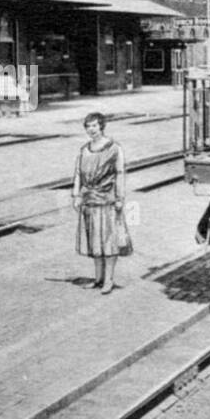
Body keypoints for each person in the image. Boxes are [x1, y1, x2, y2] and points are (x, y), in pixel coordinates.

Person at [71, 112, 132, 295]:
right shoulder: (84, 149)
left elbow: (120, 174)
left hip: (107, 200)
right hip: (89, 201)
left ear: (102, 126)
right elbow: (78, 174)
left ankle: (109, 280)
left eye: (95, 126)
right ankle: (98, 278)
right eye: (88, 126)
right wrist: (76, 195)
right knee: (93, 241)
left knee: (108, 241)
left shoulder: (114, 149)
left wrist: (120, 198)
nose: (91, 129)